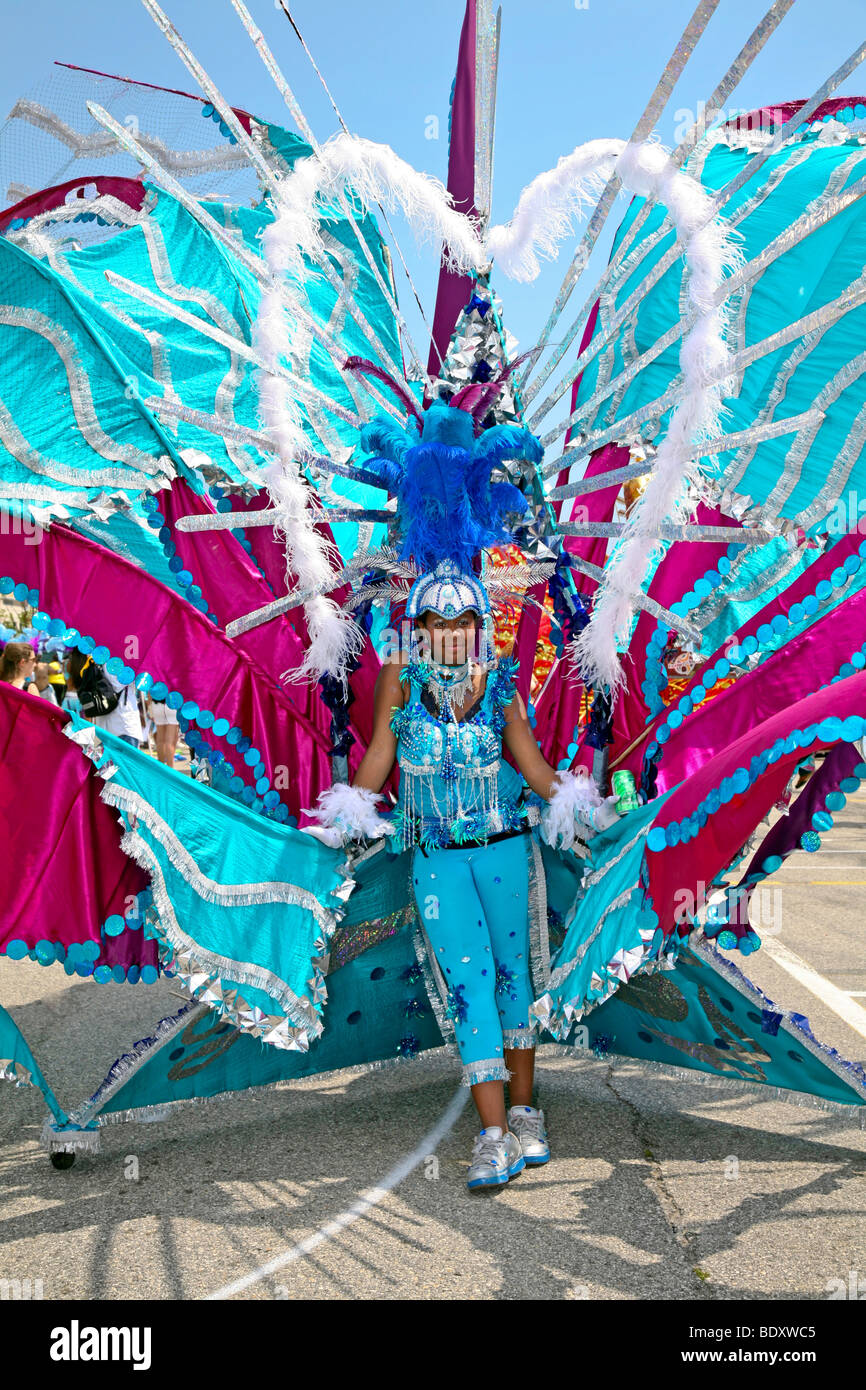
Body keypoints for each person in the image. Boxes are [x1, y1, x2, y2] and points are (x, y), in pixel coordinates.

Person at [306, 558, 624, 1191]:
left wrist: (589, 812)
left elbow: (534, 770)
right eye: (435, 620)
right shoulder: (398, 679)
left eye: (464, 620)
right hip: (436, 863)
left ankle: (526, 1113)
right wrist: (342, 819)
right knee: (469, 987)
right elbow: (376, 760)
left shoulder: (502, 682)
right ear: (417, 625)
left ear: (481, 624)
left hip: (506, 852)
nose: (450, 631)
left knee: (515, 980)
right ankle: (493, 1136)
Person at [66, 650, 144, 747]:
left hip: (102, 728)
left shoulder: (96, 660)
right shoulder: (124, 661)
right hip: (125, 724)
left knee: (108, 762)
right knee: (128, 762)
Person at [148, 694, 180, 767]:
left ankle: (162, 768)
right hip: (172, 704)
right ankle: (170, 769)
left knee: (160, 740)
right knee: (170, 741)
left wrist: (149, 706)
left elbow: (150, 691)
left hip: (156, 704)